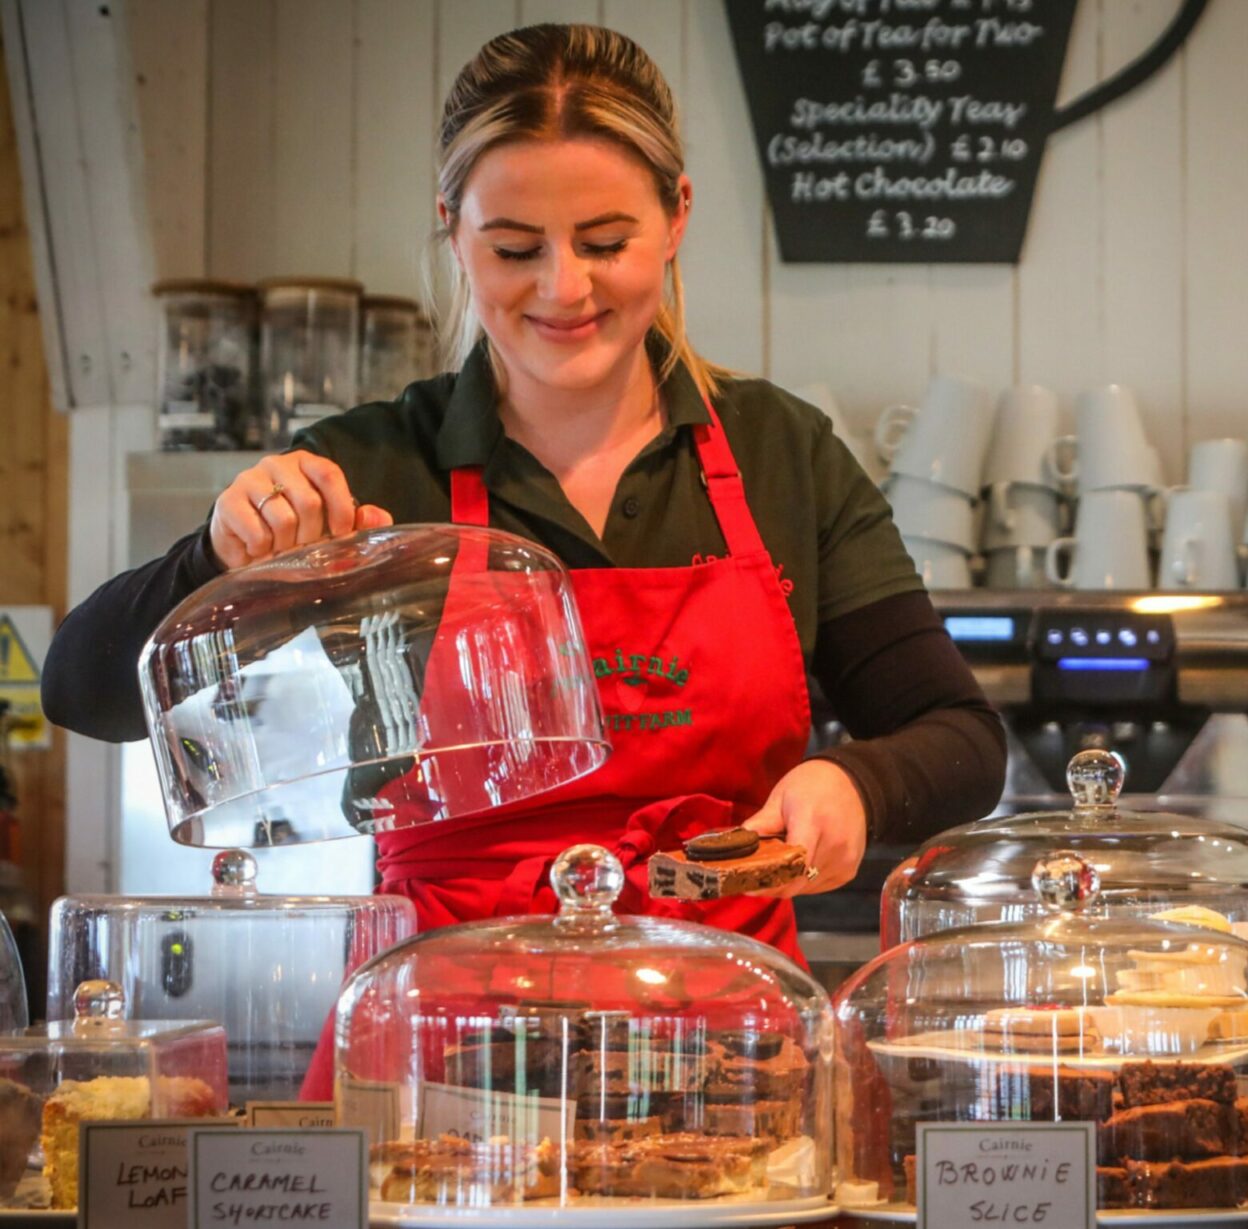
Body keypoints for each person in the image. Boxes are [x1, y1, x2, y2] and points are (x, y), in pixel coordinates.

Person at [41, 21, 1006, 1060]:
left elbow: (958, 735)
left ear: (676, 217)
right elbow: (82, 692)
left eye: (604, 242)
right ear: (451, 225)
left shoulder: (779, 454)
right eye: (514, 248)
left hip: (729, 1060)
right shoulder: (375, 470)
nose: (562, 289)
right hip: (439, 1061)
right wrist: (216, 554)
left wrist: (855, 783)